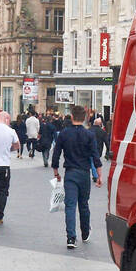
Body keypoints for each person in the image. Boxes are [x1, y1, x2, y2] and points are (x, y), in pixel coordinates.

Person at [51, 106, 102, 248]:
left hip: (70, 173)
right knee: (84, 204)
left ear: (72, 117)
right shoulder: (89, 135)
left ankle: (71, 238)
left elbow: (56, 154)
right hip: (84, 173)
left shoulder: (64, 134)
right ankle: (85, 232)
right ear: (85, 118)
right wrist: (99, 175)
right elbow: (95, 156)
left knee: (70, 205)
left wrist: (56, 172)